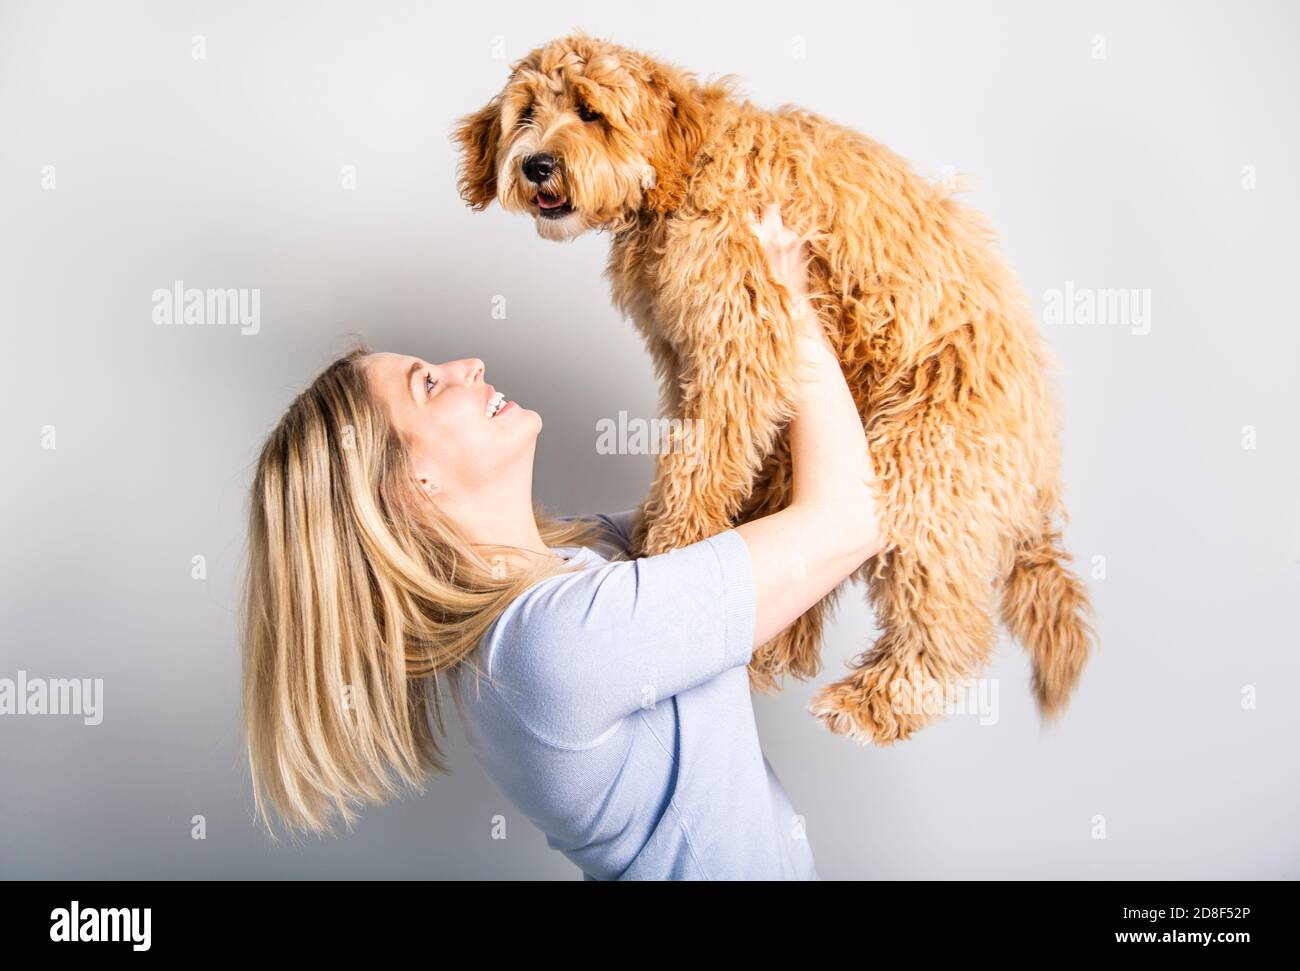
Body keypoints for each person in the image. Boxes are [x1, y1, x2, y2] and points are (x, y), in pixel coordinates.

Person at [241, 204, 884, 879]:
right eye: (428, 384)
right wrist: (788, 299)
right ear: (411, 485)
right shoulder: (554, 642)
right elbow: (848, 519)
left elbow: (770, 509)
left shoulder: (581, 566)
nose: (468, 363)